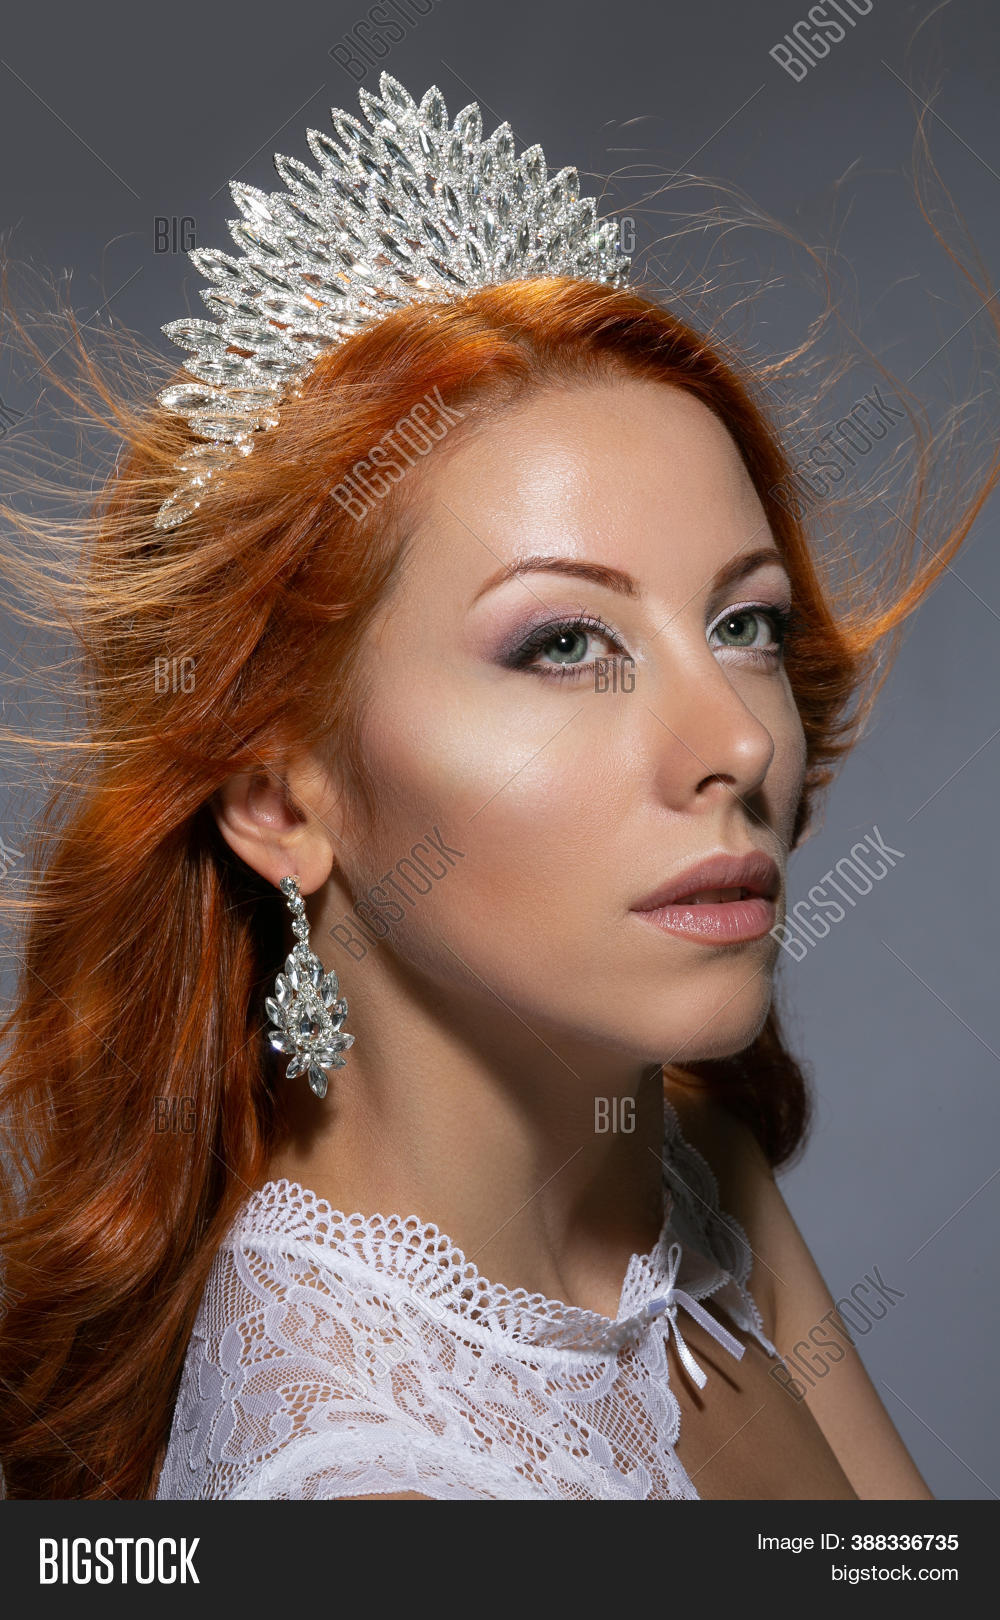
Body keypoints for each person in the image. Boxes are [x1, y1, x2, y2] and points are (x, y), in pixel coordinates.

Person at [0, 72, 994, 1500]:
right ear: (280, 800)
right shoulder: (372, 1489)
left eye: (745, 622)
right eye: (565, 643)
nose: (740, 739)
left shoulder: (679, 1176)